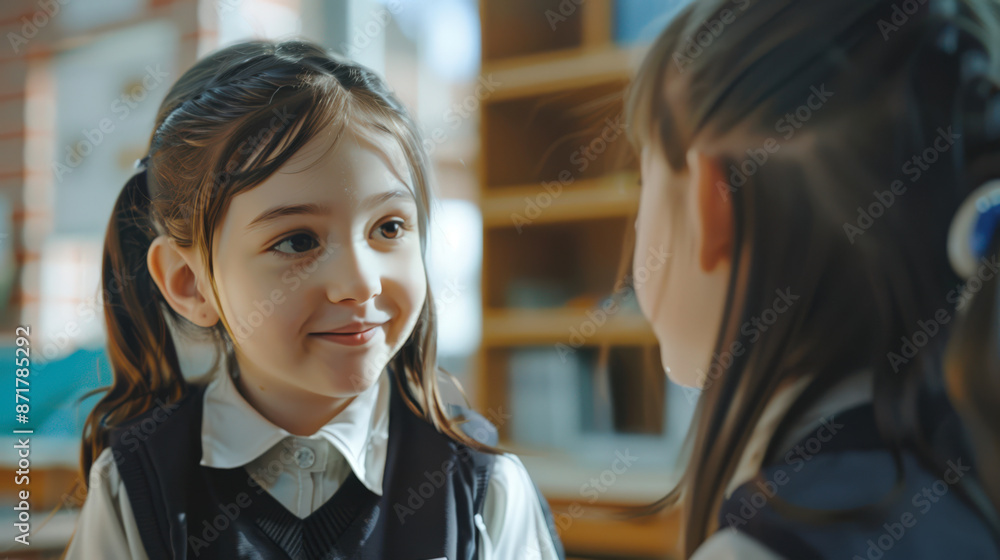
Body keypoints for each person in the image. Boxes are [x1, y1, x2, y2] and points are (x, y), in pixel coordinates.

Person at [64, 39, 564, 560]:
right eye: (298, 241)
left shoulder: (482, 490)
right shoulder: (137, 488)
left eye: (389, 227)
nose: (360, 283)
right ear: (190, 283)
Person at [624, 0, 1000, 557]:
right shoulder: (970, 484)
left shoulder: (762, 547)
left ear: (712, 201)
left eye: (643, 175)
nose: (635, 219)